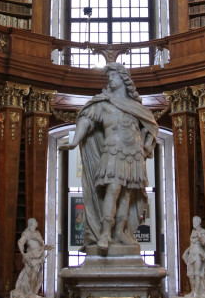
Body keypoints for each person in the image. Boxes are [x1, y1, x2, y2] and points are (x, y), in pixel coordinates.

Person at [67, 62, 158, 251]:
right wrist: (75, 140)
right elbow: (86, 119)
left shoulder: (135, 106)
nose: (110, 79)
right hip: (113, 150)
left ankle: (119, 233)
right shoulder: (103, 103)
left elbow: (151, 126)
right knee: (113, 189)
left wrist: (148, 145)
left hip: (133, 153)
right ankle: (105, 233)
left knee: (126, 195)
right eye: (109, 76)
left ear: (123, 79)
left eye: (114, 76)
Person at [11, 218, 53, 298]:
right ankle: (28, 291)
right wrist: (23, 254)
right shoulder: (26, 233)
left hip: (38, 255)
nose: (37, 223)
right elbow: (20, 243)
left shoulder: (37, 233)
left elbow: (41, 245)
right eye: (35, 221)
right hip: (30, 256)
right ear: (32, 223)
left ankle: (32, 292)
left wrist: (46, 247)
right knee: (29, 274)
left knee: (35, 273)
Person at [182, 216, 205, 298]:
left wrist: (200, 236)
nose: (193, 223)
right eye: (192, 221)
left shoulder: (202, 231)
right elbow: (192, 244)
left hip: (198, 254)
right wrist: (187, 251)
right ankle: (192, 291)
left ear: (199, 222)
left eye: (194, 221)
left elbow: (204, 244)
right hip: (192, 253)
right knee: (190, 274)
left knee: (197, 273)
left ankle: (197, 292)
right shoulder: (193, 231)